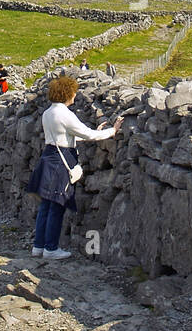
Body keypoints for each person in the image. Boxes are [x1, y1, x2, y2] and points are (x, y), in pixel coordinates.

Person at [26, 75, 122, 259]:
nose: (75, 95)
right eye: (73, 92)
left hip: (48, 157)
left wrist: (97, 132)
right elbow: (86, 135)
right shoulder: (65, 114)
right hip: (62, 163)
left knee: (46, 204)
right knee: (57, 205)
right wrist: (112, 131)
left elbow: (63, 136)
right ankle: (51, 249)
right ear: (67, 93)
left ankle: (38, 246)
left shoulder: (48, 113)